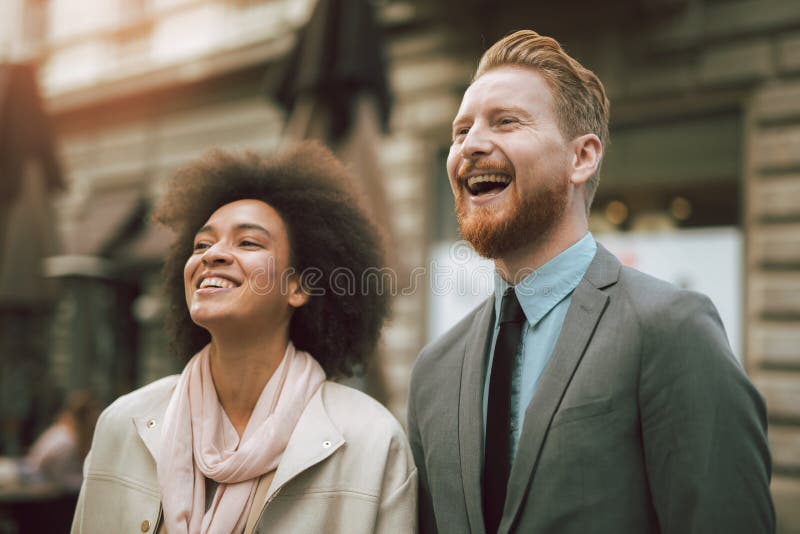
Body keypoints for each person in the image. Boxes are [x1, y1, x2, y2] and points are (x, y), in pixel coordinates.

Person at [407, 29, 774, 534]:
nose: (470, 145)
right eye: (460, 131)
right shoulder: (433, 370)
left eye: (506, 122)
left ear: (582, 158)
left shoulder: (671, 329)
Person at [72, 141, 417, 533]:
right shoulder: (122, 425)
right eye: (201, 244)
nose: (212, 255)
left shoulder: (371, 442)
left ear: (298, 287)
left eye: (248, 242)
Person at [23, 390, 99, 492]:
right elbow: (60, 480)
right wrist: (91, 482)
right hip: (32, 482)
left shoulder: (66, 432)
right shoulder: (66, 441)